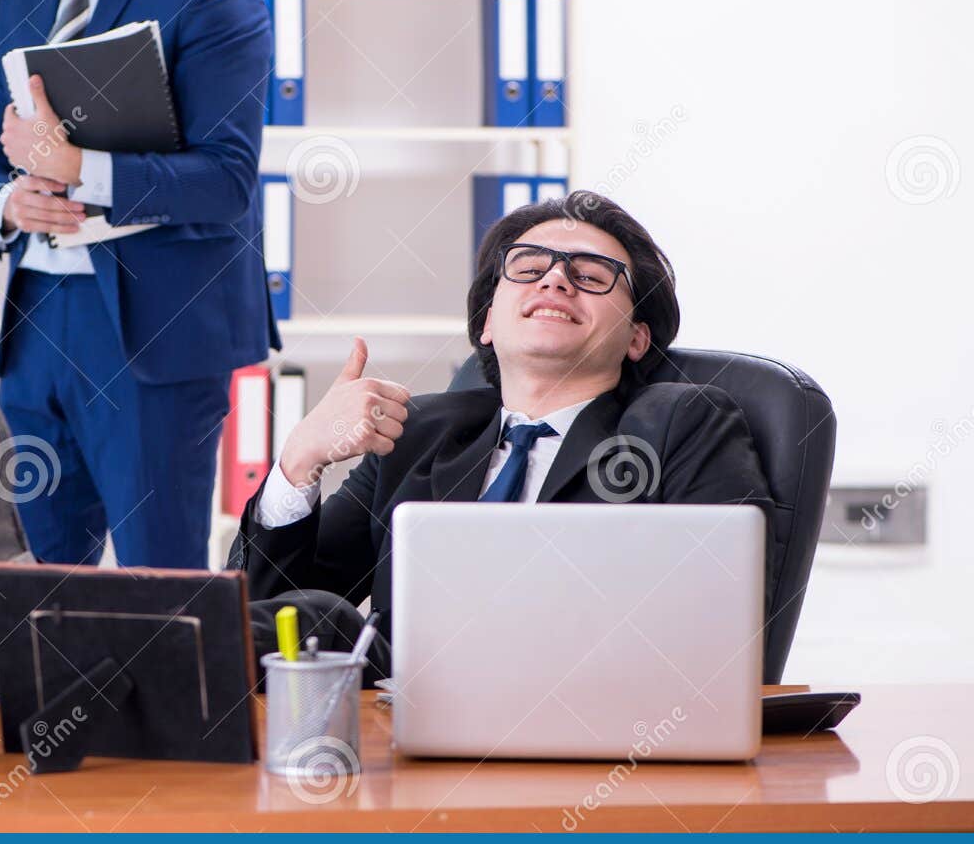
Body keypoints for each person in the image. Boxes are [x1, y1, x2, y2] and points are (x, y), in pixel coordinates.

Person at [227, 190, 776, 681]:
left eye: (591, 275)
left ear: (636, 338)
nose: (555, 280)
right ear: (488, 323)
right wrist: (300, 460)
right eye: (530, 267)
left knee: (329, 620)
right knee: (316, 617)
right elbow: (275, 622)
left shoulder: (684, 423)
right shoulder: (419, 434)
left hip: (587, 709)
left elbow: (720, 612)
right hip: (405, 721)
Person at [0, 0, 278, 570]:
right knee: (40, 599)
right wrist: (12, 202)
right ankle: (57, 708)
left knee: (156, 594)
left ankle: (159, 706)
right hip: (39, 329)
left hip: (153, 331)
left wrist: (78, 167)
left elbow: (226, 180)